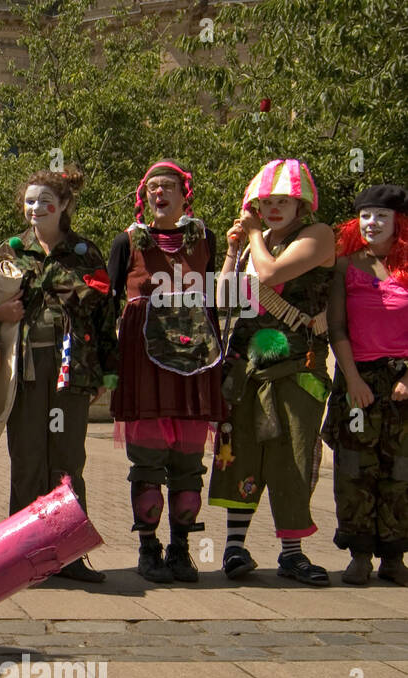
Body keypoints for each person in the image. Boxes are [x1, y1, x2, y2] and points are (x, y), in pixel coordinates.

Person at [0, 168, 116, 582]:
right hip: (24, 371)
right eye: (30, 201)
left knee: (68, 460)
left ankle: (69, 554)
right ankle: (23, 555)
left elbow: (106, 314)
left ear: (64, 206)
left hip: (71, 371)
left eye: (44, 201)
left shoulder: (85, 253)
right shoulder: (10, 250)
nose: (35, 208)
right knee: (27, 460)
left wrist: (106, 375)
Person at [208, 159, 335, 585]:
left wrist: (254, 236)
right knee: (239, 455)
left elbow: (272, 273)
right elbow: (225, 298)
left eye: (283, 201)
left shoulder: (317, 236)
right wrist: (232, 249)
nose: (274, 208)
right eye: (266, 202)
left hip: (298, 368)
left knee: (292, 460)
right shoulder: (250, 245)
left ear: (301, 205)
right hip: (245, 369)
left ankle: (292, 554)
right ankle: (234, 548)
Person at [108, 161, 228, 583]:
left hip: (195, 363)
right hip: (145, 364)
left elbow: (220, 296)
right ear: (145, 197)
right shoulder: (128, 241)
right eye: (153, 187)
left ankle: (181, 550)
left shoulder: (206, 239)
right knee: (147, 461)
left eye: (169, 186)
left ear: (184, 194)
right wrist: (106, 365)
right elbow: (108, 304)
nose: (160, 192)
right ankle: (149, 549)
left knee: (188, 461)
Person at [321, 184, 408, 586]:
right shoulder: (345, 265)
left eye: (382, 217)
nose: (373, 223)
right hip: (359, 376)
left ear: (398, 222)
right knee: (354, 468)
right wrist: (353, 379)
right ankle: (359, 554)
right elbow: (337, 326)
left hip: (402, 380)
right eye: (366, 216)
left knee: (401, 470)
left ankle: (394, 557)